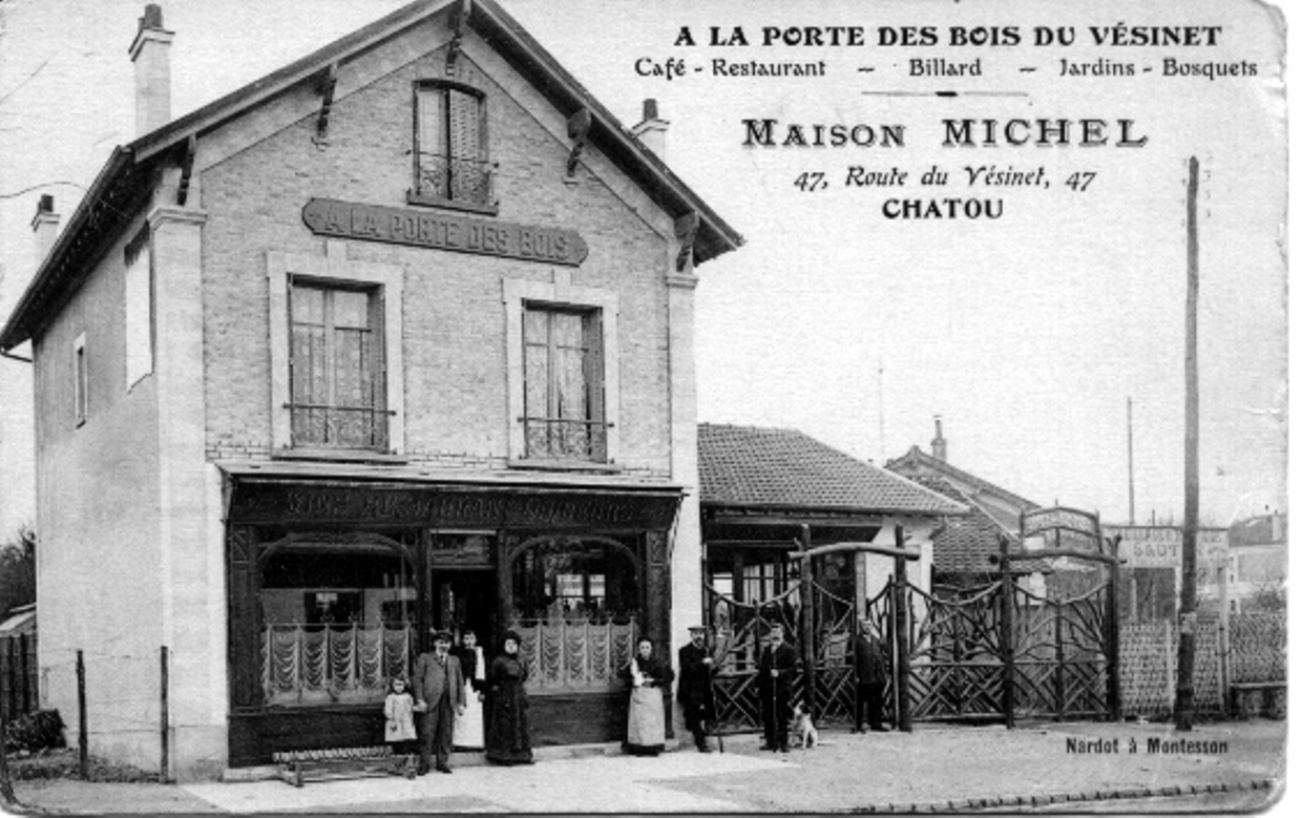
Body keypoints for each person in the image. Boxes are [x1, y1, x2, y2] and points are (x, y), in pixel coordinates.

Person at [413, 629, 465, 775]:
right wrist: (420, 699)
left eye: (447, 643)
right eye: (441, 642)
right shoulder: (425, 658)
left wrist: (461, 702)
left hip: (449, 702)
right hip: (430, 702)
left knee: (446, 733)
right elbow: (417, 680)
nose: (444, 646)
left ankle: (442, 762)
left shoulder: (455, 660)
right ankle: (424, 764)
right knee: (427, 733)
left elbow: (460, 682)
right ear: (435, 643)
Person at [485, 630, 533, 765]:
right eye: (508, 643)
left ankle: (522, 756)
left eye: (514, 643)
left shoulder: (521, 660)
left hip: (518, 696)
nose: (511, 646)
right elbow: (493, 680)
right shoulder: (498, 661)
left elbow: (524, 677)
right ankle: (505, 757)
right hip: (504, 696)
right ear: (504, 645)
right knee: (505, 726)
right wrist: (500, 695)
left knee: (520, 725)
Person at [622, 636, 675, 756]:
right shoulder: (634, 663)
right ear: (638, 649)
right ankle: (640, 748)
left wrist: (655, 681)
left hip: (652, 694)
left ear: (651, 649)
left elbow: (670, 676)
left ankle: (653, 748)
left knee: (652, 722)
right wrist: (634, 681)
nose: (645, 650)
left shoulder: (658, 662)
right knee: (640, 722)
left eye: (647, 647)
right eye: (642, 647)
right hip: (639, 694)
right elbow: (625, 677)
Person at [758, 622, 798, 753]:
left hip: (782, 688)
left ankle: (783, 743)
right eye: (773, 632)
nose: (775, 635)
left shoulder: (789, 649)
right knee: (768, 716)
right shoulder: (767, 649)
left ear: (782, 633)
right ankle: (770, 742)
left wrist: (780, 673)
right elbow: (762, 669)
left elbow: (793, 670)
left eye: (777, 632)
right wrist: (758, 685)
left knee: (781, 716)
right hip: (768, 688)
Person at [677, 625, 716, 752]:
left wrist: (713, 665)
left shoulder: (707, 650)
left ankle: (703, 738)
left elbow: (712, 671)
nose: (699, 636)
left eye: (701, 633)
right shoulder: (684, 651)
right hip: (690, 690)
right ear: (691, 635)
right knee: (694, 717)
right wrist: (702, 663)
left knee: (705, 715)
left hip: (704, 690)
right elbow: (687, 668)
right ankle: (701, 743)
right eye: (696, 633)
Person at [452, 630, 487, 750]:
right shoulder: (458, 654)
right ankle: (460, 743)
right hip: (462, 686)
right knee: (461, 713)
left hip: (475, 688)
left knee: (475, 715)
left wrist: (482, 690)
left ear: (475, 640)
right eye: (466, 638)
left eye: (471, 638)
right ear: (463, 640)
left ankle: (475, 743)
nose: (469, 641)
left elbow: (481, 673)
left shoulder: (480, 652)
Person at [852, 619, 888, 733]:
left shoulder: (876, 640)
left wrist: (882, 673)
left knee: (877, 701)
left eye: (869, 625)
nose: (867, 627)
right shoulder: (855, 641)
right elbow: (851, 660)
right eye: (864, 625)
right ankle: (858, 725)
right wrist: (856, 675)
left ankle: (876, 724)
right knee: (860, 702)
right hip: (863, 677)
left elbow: (881, 657)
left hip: (876, 677)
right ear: (860, 627)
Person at [383, 676, 418, 758]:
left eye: (401, 685)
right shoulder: (390, 697)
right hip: (395, 721)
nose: (399, 688)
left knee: (406, 740)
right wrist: (391, 719)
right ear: (392, 686)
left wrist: (416, 708)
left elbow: (410, 707)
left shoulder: (408, 696)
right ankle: (397, 759)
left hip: (406, 721)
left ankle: (406, 759)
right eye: (396, 685)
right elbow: (388, 710)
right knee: (396, 740)